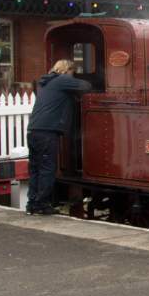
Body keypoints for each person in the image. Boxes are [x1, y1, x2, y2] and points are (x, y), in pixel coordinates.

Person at [25, 60, 91, 215]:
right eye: (73, 72)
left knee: (35, 169)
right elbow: (86, 86)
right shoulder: (62, 80)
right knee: (48, 168)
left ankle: (32, 204)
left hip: (34, 130)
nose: (73, 75)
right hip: (47, 132)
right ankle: (42, 204)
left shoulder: (46, 82)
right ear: (68, 70)